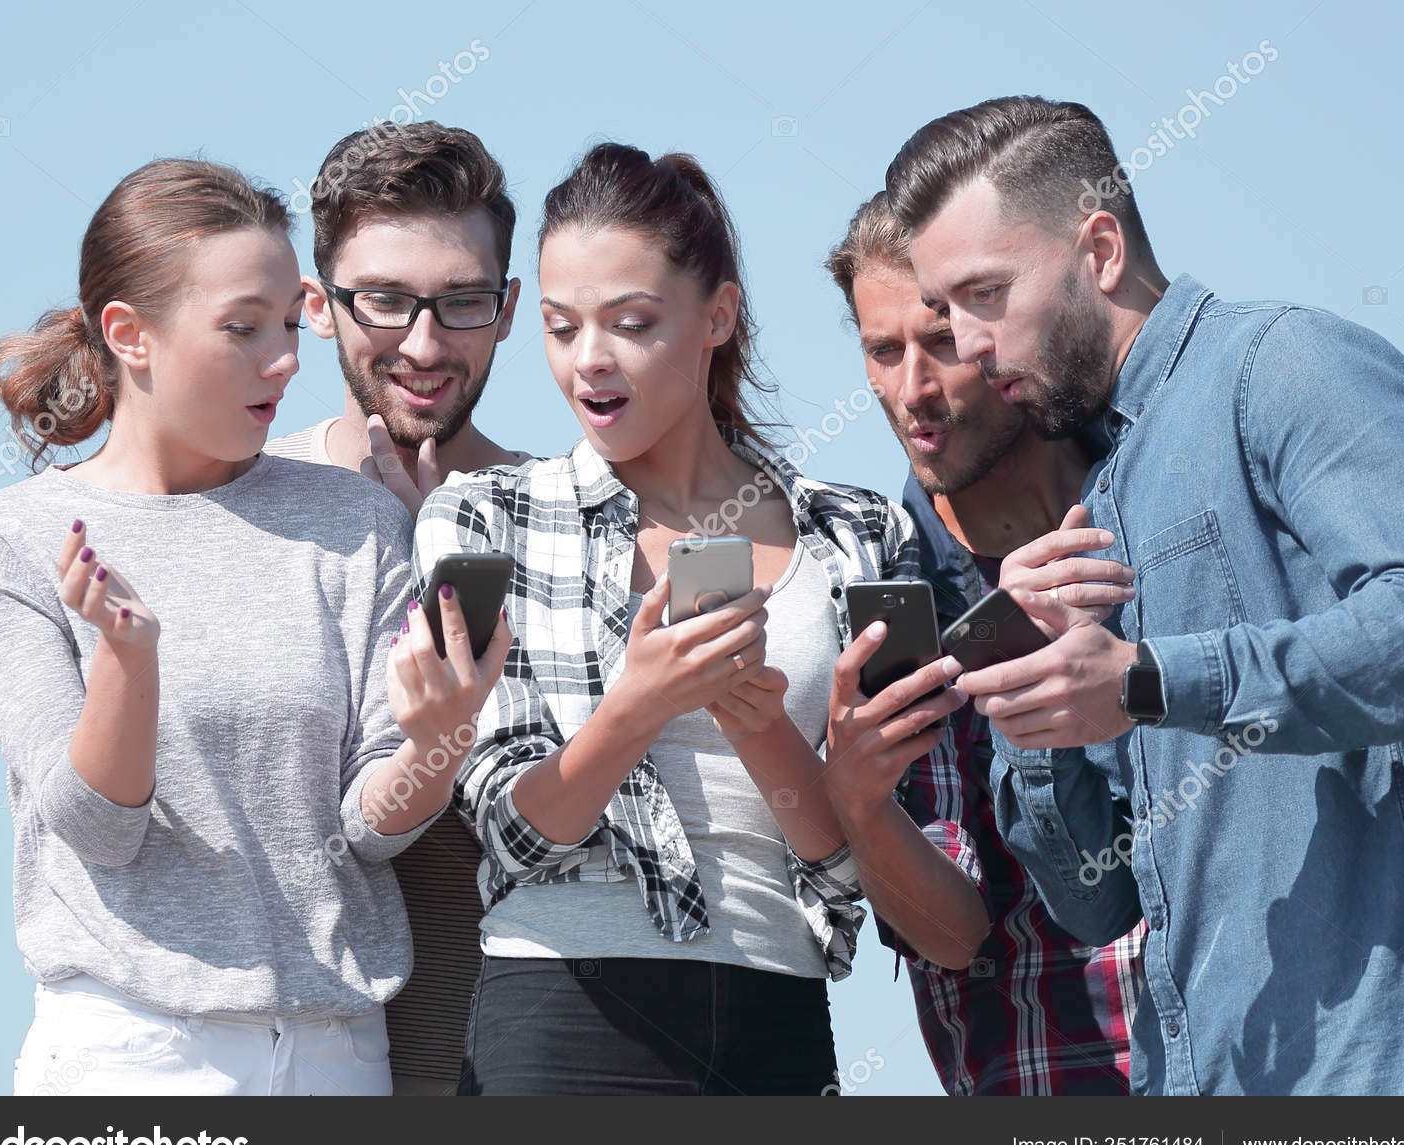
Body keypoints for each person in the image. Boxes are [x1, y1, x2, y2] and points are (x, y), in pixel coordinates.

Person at [887, 95, 1404, 1095]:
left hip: (1384, 1071)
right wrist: (1028, 705)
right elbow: (1095, 903)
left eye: (986, 294)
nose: (967, 343)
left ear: (1098, 248)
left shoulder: (1286, 364)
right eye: (945, 309)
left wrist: (1145, 677)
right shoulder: (1099, 495)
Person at [415, 143, 989, 1095]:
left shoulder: (857, 536)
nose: (588, 360)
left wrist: (761, 726)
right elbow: (511, 834)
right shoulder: (488, 517)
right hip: (564, 1019)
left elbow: (864, 872)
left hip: (781, 1019)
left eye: (632, 323)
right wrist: (635, 707)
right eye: (560, 328)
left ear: (717, 315)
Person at [0, 158, 504, 1096]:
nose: (284, 359)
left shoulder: (355, 523)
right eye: (243, 329)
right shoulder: (8, 541)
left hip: (340, 1055)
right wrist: (128, 664)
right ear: (129, 334)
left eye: (289, 325)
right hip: (133, 1060)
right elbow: (94, 827)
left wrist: (443, 736)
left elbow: (370, 828)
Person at [824, 190, 1145, 1095]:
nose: (911, 391)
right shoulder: (890, 591)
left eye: (937, 342)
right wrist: (854, 795)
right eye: (882, 352)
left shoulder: (1166, 499)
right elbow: (951, 932)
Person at [265, 121, 525, 1095]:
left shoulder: (575, 521)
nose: (424, 342)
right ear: (318, 305)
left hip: (531, 1063)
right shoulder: (233, 510)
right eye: (384, 299)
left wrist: (438, 562)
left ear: (506, 309)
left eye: (461, 300)